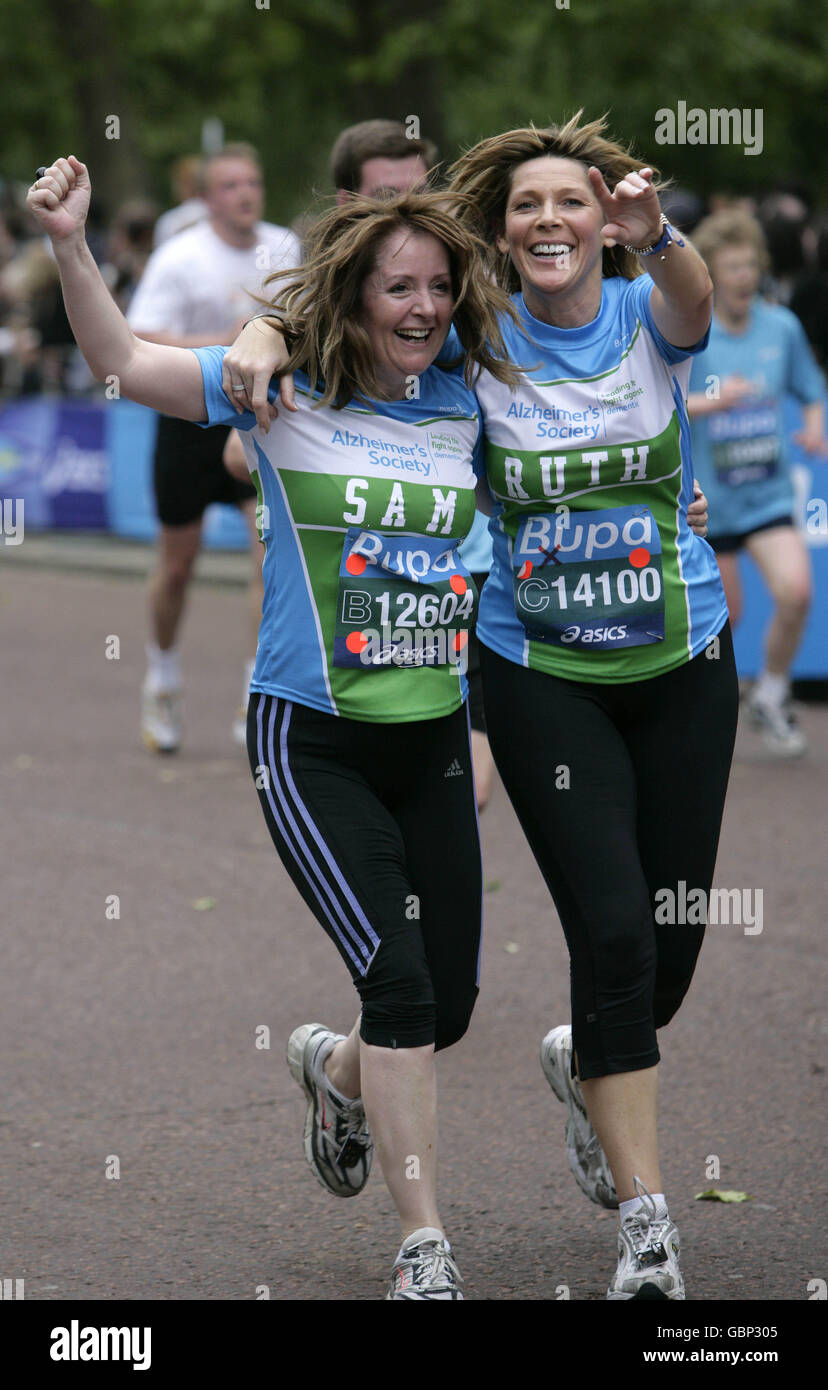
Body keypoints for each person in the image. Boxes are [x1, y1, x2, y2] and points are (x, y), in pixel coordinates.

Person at [223, 113, 730, 1301]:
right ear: (499, 234)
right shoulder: (471, 347)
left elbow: (696, 303)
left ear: (606, 222)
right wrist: (262, 323)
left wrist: (664, 237)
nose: (549, 220)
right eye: (525, 207)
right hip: (539, 670)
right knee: (610, 936)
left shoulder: (647, 312)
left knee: (667, 947)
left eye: (573, 202)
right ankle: (648, 1228)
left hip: (684, 655)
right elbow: (360, 316)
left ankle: (588, 1059)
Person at [28, 154, 523, 1300]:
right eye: (398, 286)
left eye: (439, 286)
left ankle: (333, 1073)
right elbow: (115, 360)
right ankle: (424, 1247)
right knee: (399, 989)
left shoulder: (465, 402)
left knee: (443, 1007)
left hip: (435, 739)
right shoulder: (278, 394)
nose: (423, 306)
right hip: (313, 740)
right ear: (354, 297)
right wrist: (69, 243)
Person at [126, 143, 301, 753]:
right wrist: (227, 341)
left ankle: (257, 692)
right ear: (205, 198)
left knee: (266, 562)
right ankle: (163, 676)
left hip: (260, 418)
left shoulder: (284, 248)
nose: (245, 194)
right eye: (230, 185)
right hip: (188, 418)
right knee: (178, 564)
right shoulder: (181, 256)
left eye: (252, 182)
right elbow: (140, 335)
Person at [687, 211, 827, 757]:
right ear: (711, 275)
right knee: (728, 617)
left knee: (797, 592)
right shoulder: (690, 332)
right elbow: (664, 406)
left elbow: (811, 390)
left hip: (768, 498)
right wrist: (713, 401)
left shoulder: (782, 327)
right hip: (710, 505)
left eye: (750, 265)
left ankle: (771, 693)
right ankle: (693, 719)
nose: (743, 276)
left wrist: (814, 429)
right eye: (731, 267)